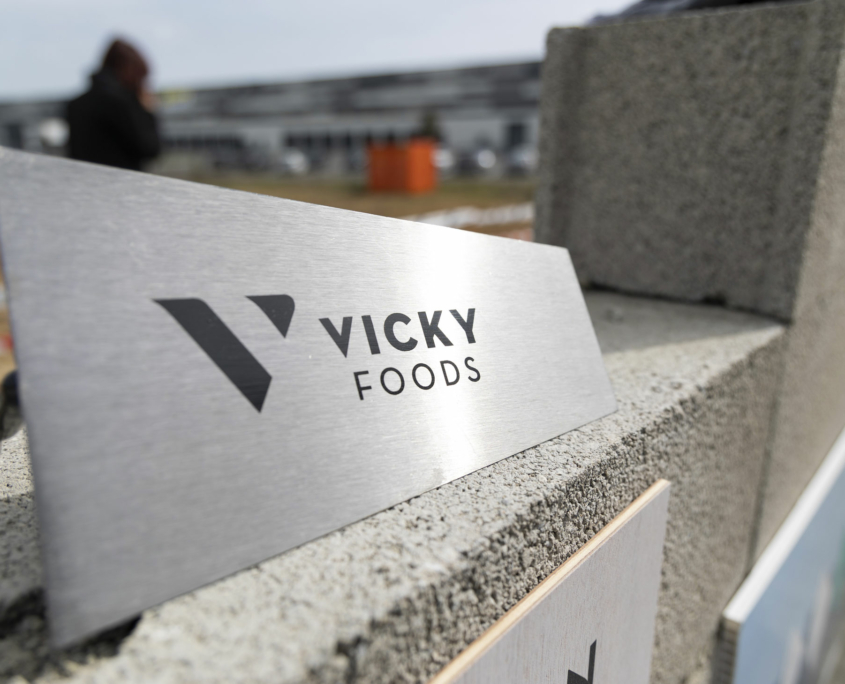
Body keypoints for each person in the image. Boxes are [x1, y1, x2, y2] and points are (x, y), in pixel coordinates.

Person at [66, 39, 161, 170]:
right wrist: (148, 111)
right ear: (131, 73)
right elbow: (150, 149)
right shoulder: (122, 103)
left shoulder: (76, 104)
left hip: (85, 183)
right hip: (122, 185)